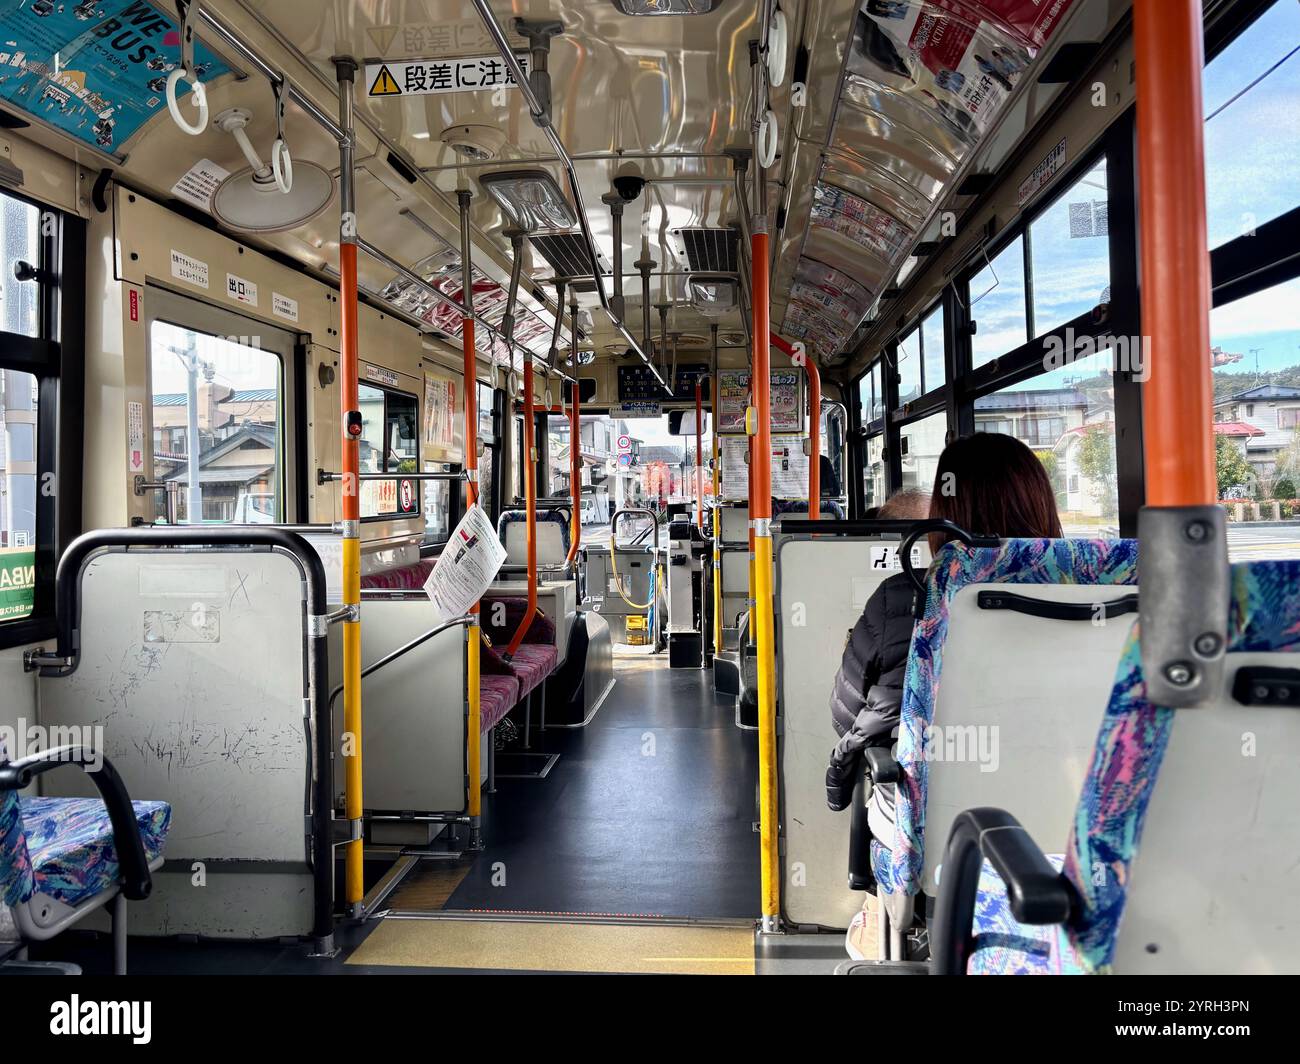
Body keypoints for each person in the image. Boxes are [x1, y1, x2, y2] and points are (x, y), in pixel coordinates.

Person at [826, 433, 1062, 957]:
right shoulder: (1105, 591)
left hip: (945, 829)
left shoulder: (906, 596)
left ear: (947, 511)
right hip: (1076, 812)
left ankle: (888, 920)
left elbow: (848, 715)